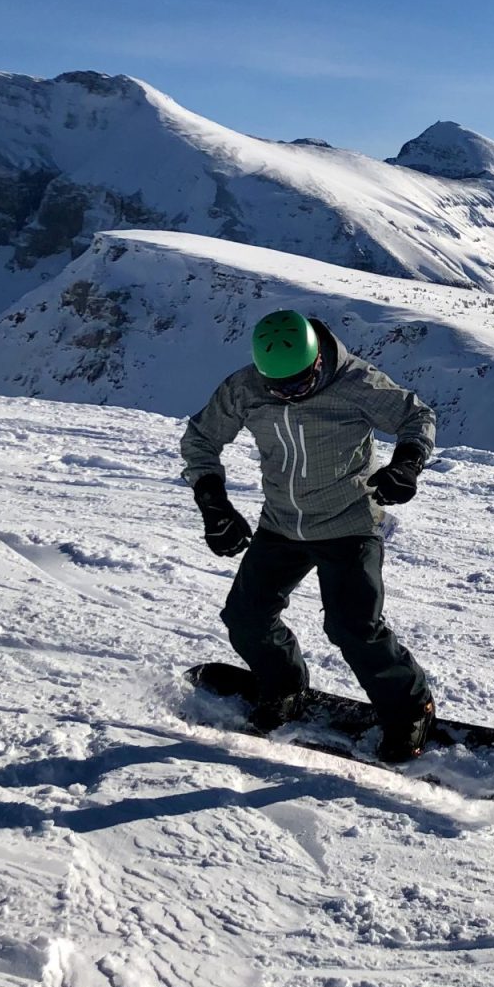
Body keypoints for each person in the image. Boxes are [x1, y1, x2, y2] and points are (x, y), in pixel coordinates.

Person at [181, 308, 438, 762]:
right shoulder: (246, 388)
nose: (290, 394)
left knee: (352, 627)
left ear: (318, 360)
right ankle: (284, 687)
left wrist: (406, 465)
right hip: (281, 523)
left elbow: (417, 417)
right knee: (246, 617)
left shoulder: (356, 382)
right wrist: (213, 503)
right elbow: (201, 439)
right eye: (279, 387)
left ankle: (411, 708)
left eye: (299, 384)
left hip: (349, 523)